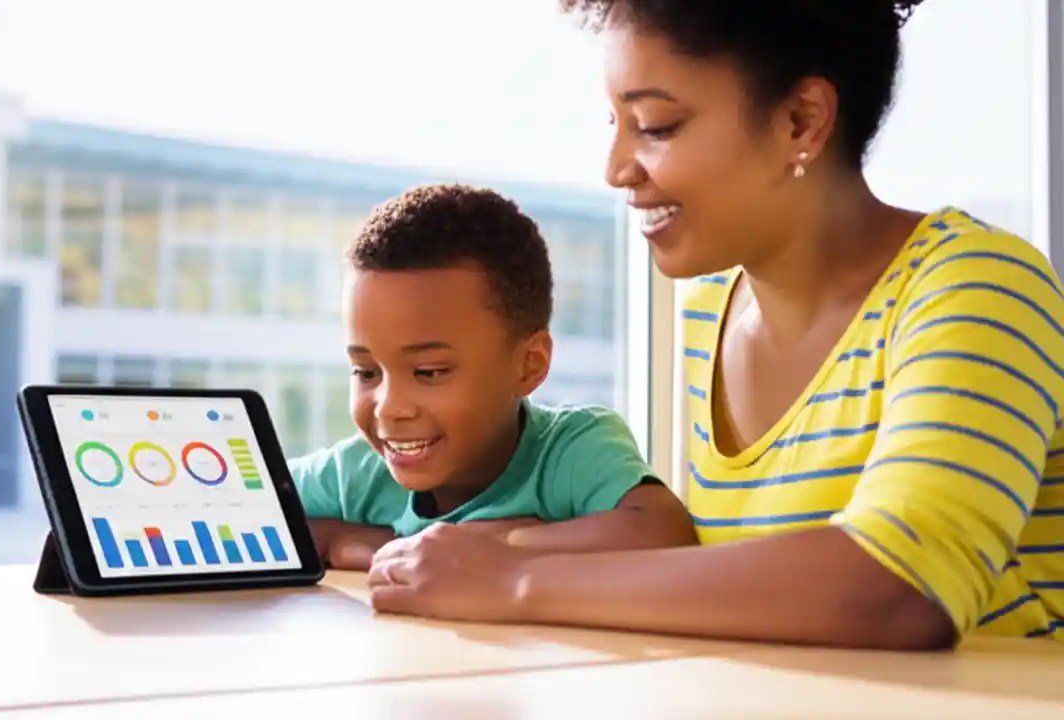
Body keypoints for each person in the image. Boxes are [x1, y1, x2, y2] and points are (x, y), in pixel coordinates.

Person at [366, 0, 1064, 648]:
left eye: (658, 127)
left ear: (801, 121)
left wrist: (513, 581)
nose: (615, 169)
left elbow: (899, 587)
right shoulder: (711, 311)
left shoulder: (976, 285)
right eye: (615, 124)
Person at [288, 183, 697, 570]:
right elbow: (232, 510)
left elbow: (663, 533)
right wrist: (340, 537)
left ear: (529, 365)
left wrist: (490, 547)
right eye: (366, 372)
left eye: (429, 372)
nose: (389, 408)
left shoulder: (571, 449)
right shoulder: (356, 473)